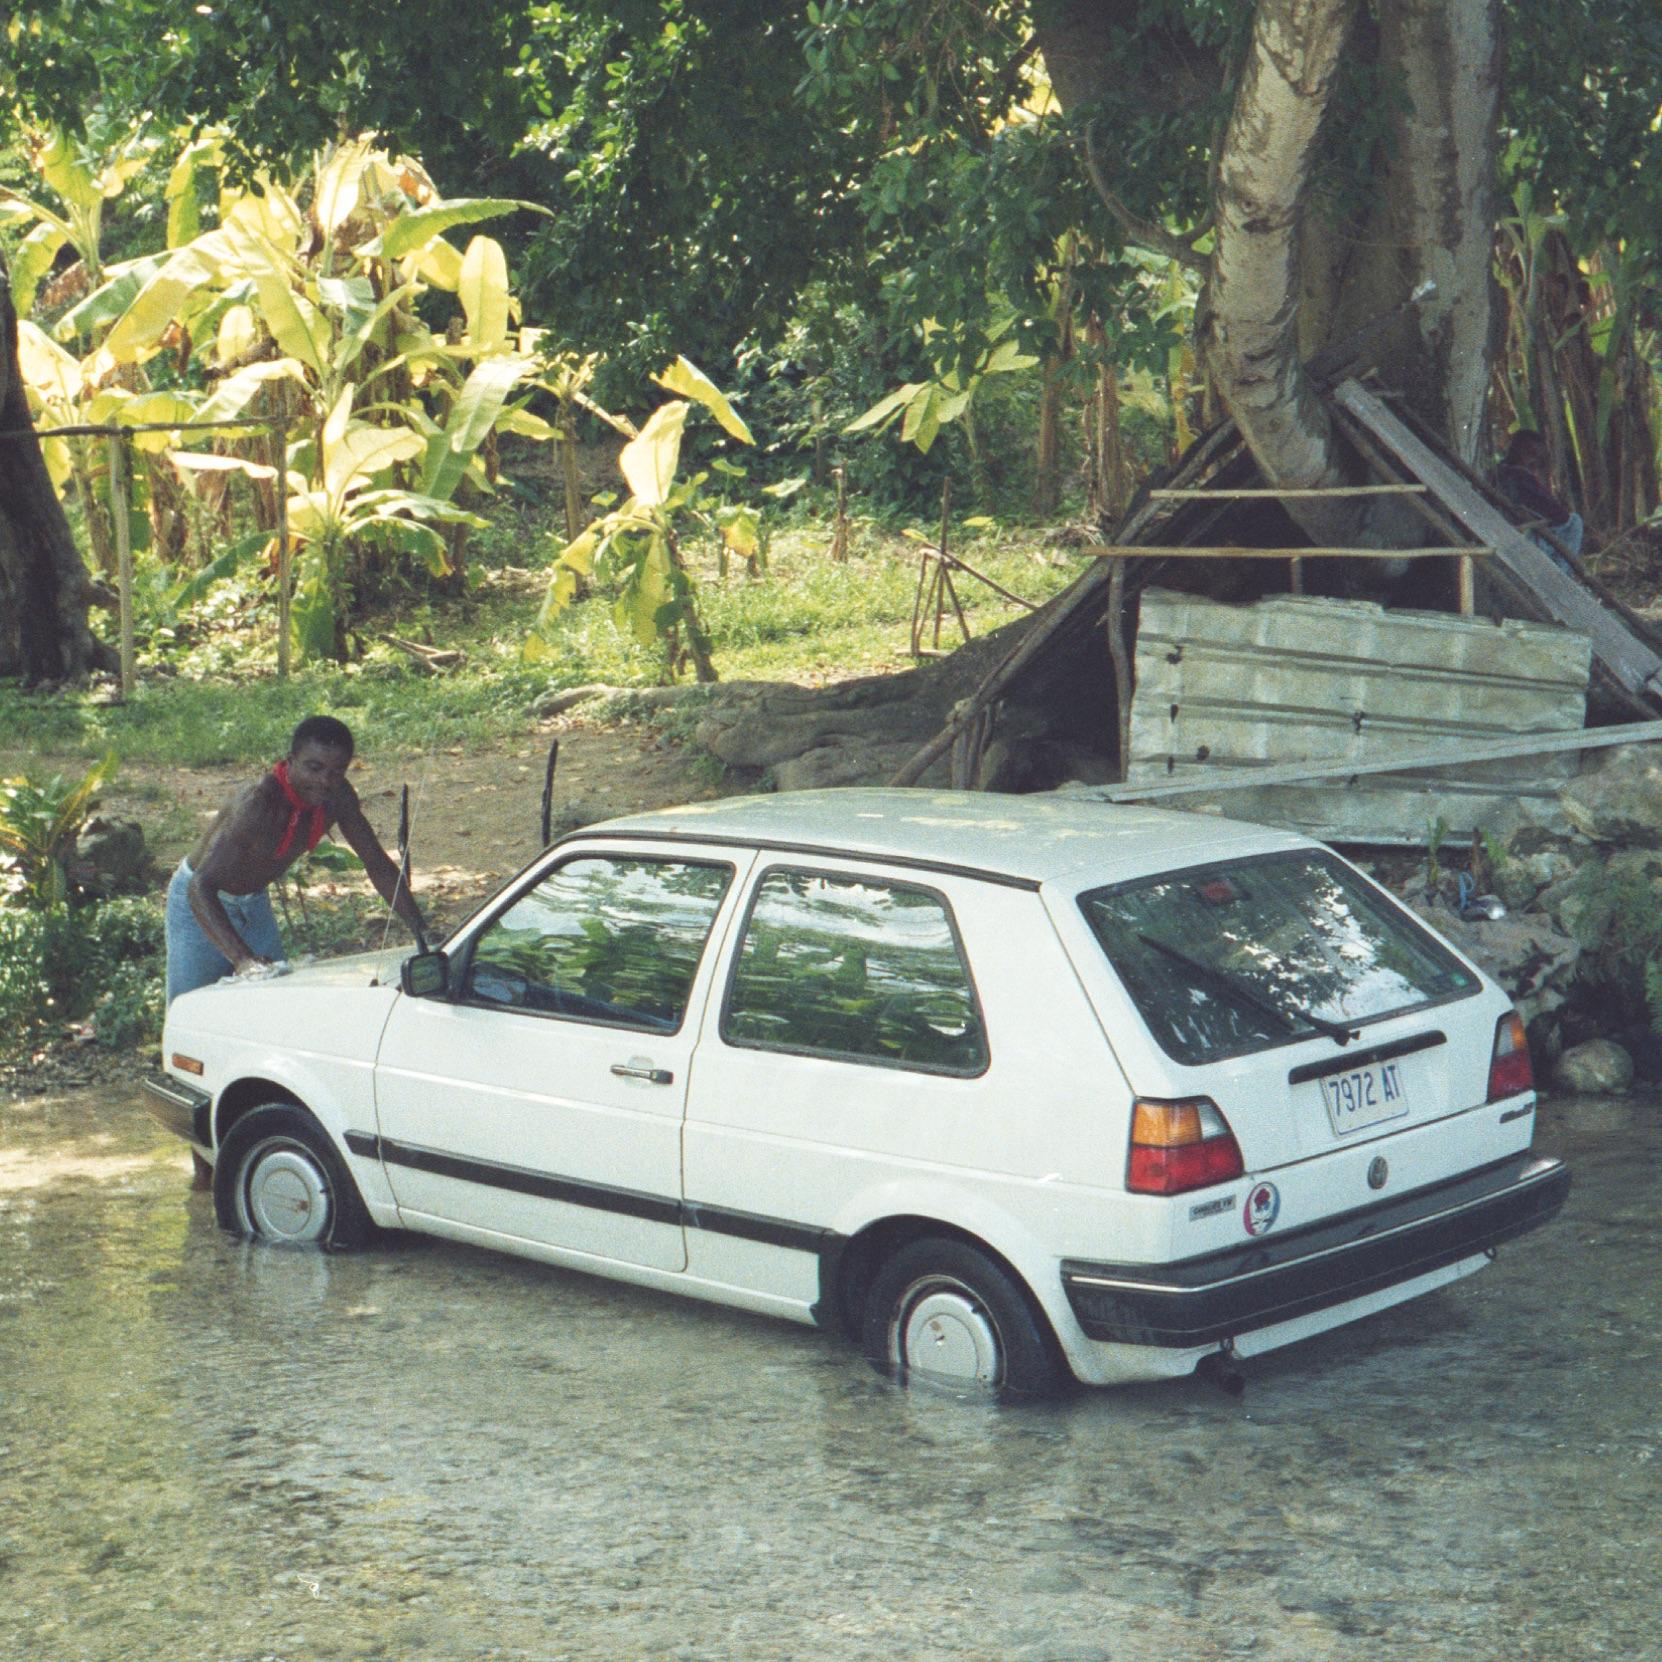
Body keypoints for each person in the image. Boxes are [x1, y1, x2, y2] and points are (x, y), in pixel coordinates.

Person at [165, 714, 427, 1005]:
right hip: (200, 902)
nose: (324, 781)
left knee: (272, 1000)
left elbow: (376, 862)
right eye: (314, 767)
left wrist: (421, 929)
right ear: (291, 761)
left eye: (336, 771)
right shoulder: (257, 804)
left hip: (253, 901)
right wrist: (243, 960)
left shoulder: (337, 797)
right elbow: (200, 887)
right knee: (190, 1006)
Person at [1497, 430, 1583, 571]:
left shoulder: (1499, 472)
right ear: (1522, 452)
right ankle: (1560, 576)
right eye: (1532, 454)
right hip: (1524, 538)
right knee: (1575, 521)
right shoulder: (1520, 476)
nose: (1535, 459)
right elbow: (1559, 515)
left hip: (1508, 536)